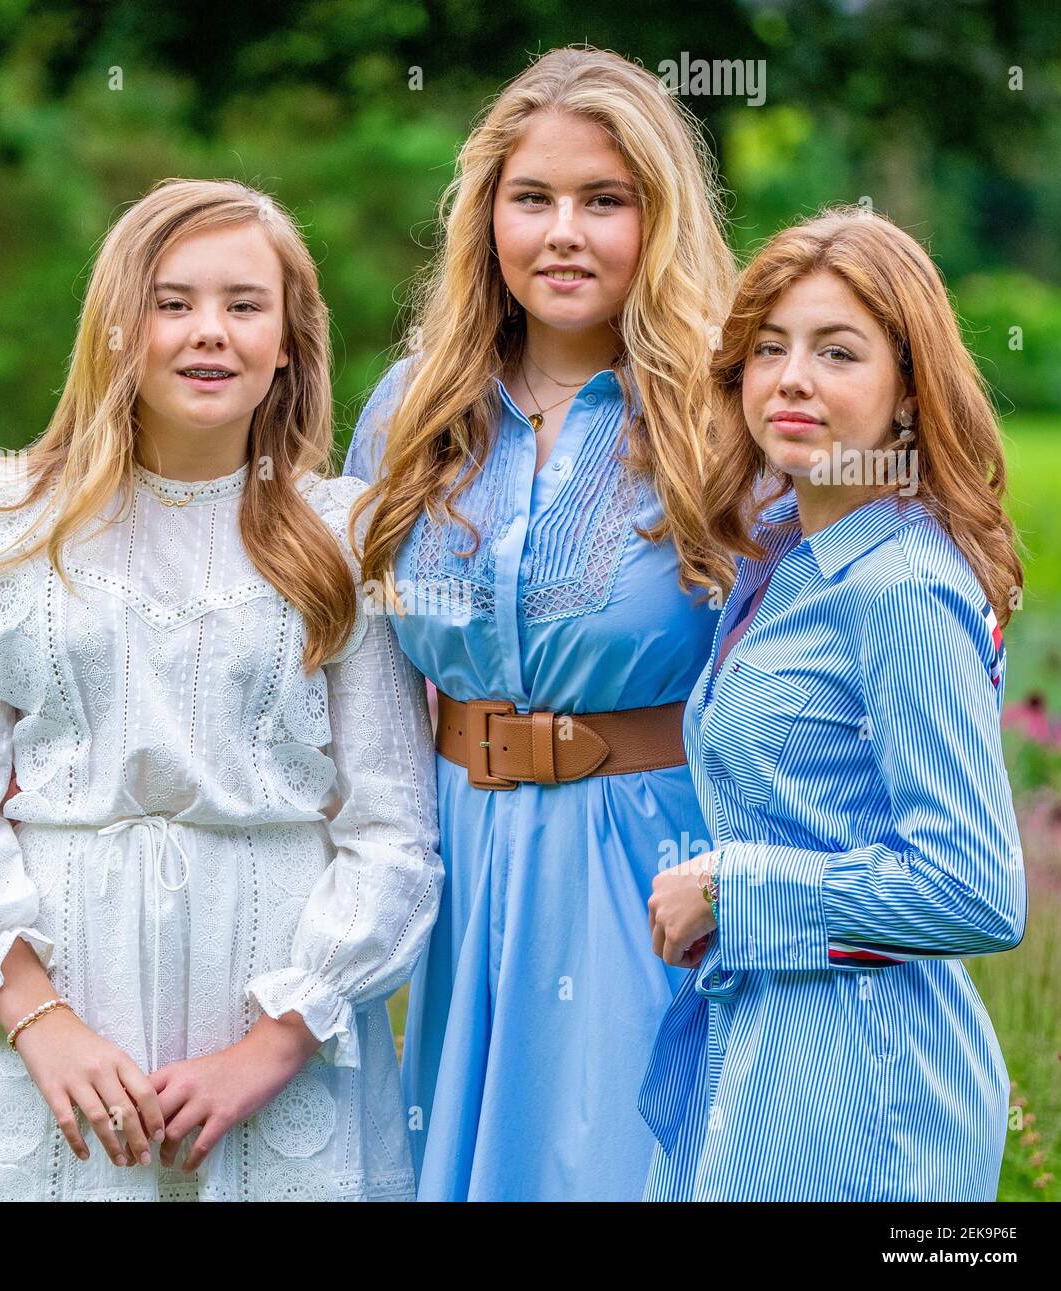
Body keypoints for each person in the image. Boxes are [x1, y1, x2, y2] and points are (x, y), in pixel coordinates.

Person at [0, 178, 442, 1201]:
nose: (207, 333)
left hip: (275, 1006)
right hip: (66, 1001)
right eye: (171, 302)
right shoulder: (11, 519)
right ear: (116, 328)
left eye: (243, 304)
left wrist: (275, 1039)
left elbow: (393, 831)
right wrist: (39, 1019)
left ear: (288, 340)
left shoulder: (344, 532)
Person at [343, 47, 736, 1200]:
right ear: (488, 217)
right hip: (459, 859)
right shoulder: (413, 408)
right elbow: (357, 666)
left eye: (603, 200)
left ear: (655, 219)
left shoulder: (727, 419)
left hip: (648, 861)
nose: (563, 231)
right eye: (533, 198)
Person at [640, 206, 1027, 1201]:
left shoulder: (899, 584)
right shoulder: (780, 551)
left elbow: (973, 889)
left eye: (837, 351)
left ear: (907, 390)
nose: (792, 378)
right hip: (759, 1051)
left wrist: (733, 889)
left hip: (863, 1087)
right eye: (769, 347)